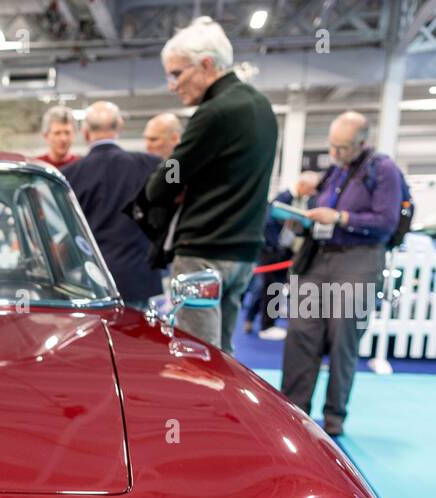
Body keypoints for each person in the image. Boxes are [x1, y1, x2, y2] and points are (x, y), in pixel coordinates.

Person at [134, 16, 278, 352]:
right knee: (224, 359)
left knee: (195, 359)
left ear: (207, 65)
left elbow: (166, 181)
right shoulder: (262, 108)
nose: (172, 85)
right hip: (242, 255)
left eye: (176, 74)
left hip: (203, 255)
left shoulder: (214, 113)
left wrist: (166, 177)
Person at [280, 111, 403, 437]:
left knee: (342, 342)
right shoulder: (335, 172)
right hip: (319, 260)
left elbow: (386, 222)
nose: (334, 154)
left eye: (342, 148)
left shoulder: (384, 170)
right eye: (332, 146)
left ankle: (334, 418)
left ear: (363, 143)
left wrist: (341, 217)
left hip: (359, 261)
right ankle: (293, 411)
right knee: (300, 335)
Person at [62, 101, 164, 309]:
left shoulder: (68, 175)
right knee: (135, 340)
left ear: (85, 131)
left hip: (90, 280)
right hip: (137, 278)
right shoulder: (150, 164)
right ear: (119, 126)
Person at [250, 170, 320, 340]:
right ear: (302, 185)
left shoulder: (307, 202)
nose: (313, 193)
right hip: (273, 252)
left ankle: (256, 320)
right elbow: (268, 223)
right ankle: (265, 325)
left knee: (272, 288)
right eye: (311, 188)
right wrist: (274, 246)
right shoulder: (283, 199)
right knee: (267, 288)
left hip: (288, 252)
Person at [33, 105, 79, 170]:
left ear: (74, 134)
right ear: (45, 136)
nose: (63, 138)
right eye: (57, 133)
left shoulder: (81, 166)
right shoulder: (36, 167)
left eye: (67, 132)